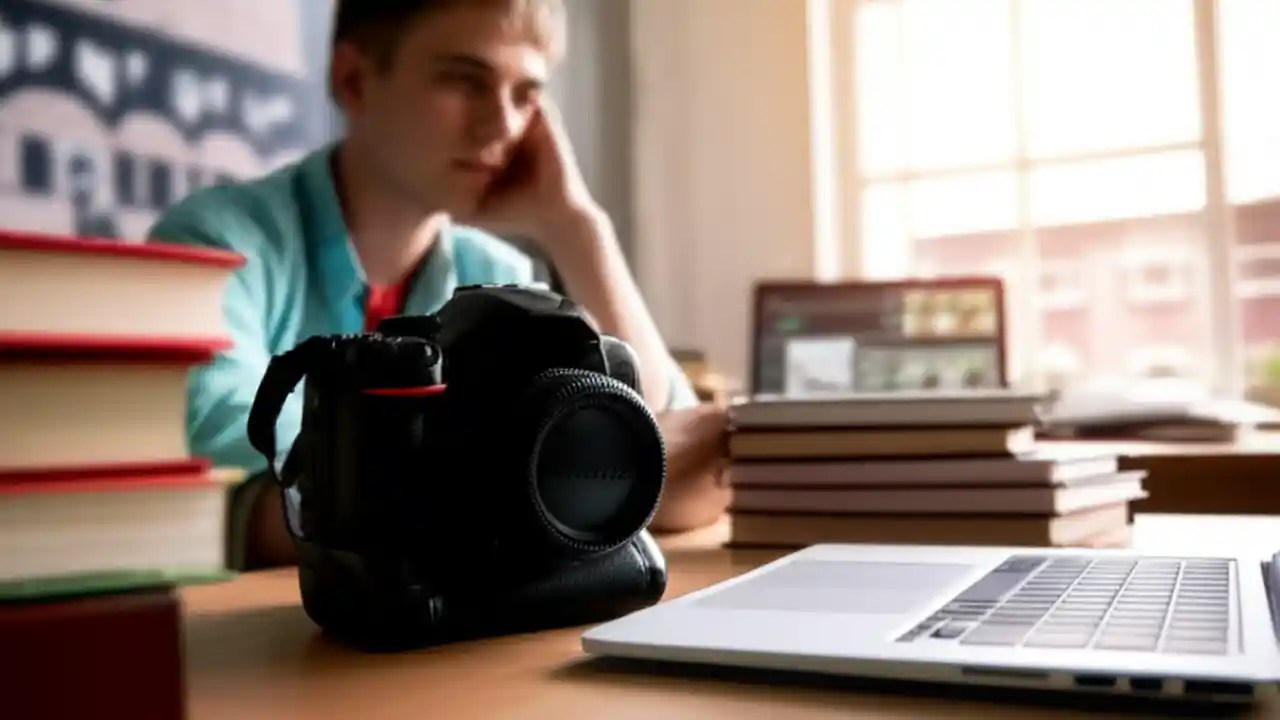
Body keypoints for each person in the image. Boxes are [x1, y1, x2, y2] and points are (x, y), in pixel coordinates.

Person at [148, 0, 730, 569]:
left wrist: (576, 227)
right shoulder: (213, 244)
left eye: (526, 95)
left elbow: (670, 465)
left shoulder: (499, 274)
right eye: (465, 81)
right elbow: (259, 489)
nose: (503, 124)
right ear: (353, 80)